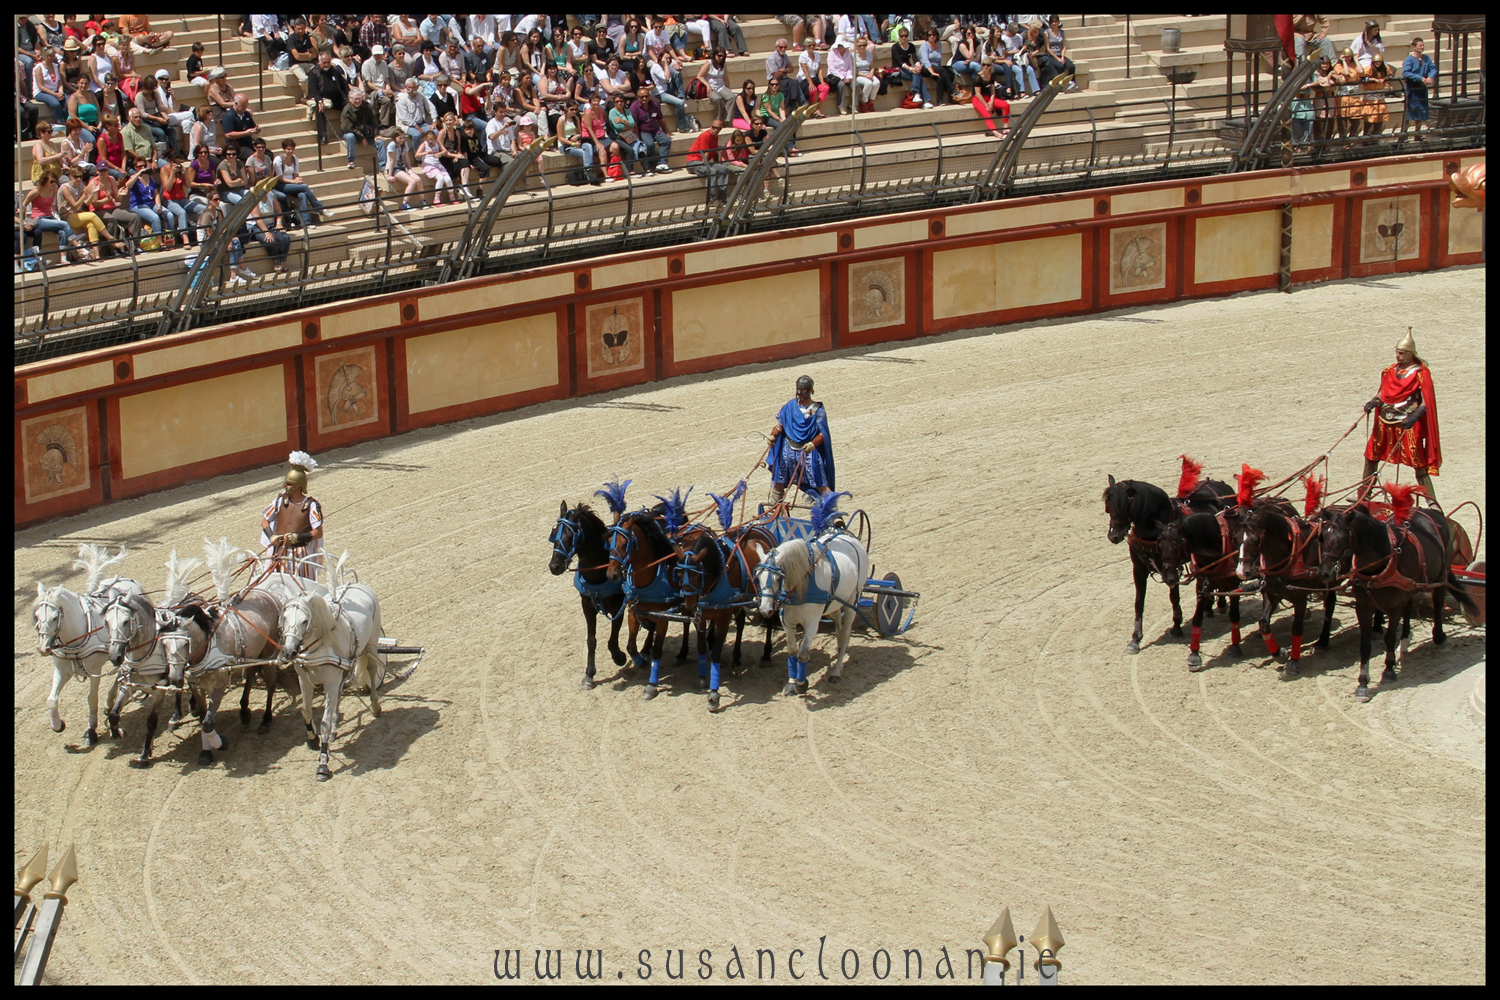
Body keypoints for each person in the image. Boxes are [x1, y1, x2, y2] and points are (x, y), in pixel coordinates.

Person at [1362, 330, 1440, 501]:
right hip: (1385, 420)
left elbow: (1427, 403)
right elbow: (1383, 394)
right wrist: (1374, 402)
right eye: (1397, 352)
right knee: (1371, 456)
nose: (1398, 356)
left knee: (1418, 463)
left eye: (1402, 353)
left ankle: (1431, 501)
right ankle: (1364, 494)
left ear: (1411, 354)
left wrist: (1414, 417)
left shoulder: (1421, 374)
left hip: (1408, 422)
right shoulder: (1390, 371)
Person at [767, 375, 835, 502]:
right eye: (798, 389)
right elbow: (780, 425)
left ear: (811, 391)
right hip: (788, 450)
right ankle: (773, 510)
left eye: (803, 390)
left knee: (821, 484)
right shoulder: (789, 407)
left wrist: (812, 444)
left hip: (808, 452)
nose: (799, 393)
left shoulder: (818, 411)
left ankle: (832, 512)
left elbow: (822, 434)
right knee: (778, 482)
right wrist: (773, 435)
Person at [261, 452, 325, 578]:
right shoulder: (280, 501)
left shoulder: (311, 505)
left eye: (289, 484)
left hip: (300, 553)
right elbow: (265, 521)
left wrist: (299, 537)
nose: (286, 486)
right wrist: (271, 536)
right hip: (280, 550)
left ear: (298, 486)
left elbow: (318, 532)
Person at [19, 167, 79, 267]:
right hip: (38, 219)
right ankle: (78, 247)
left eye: (55, 181)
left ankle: (63, 258)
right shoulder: (37, 191)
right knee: (64, 224)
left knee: (62, 232)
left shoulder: (54, 190)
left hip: (50, 217)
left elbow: (55, 204)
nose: (53, 184)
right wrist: (24, 220)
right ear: (45, 181)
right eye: (51, 181)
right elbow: (23, 205)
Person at [273, 138, 335, 228]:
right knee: (305, 187)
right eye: (288, 149)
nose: (290, 151)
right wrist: (294, 182)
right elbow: (280, 178)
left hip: (292, 184)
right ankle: (319, 208)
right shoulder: (278, 160)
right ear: (284, 149)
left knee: (303, 195)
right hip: (281, 185)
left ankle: (306, 222)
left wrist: (298, 180)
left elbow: (296, 174)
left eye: (292, 149)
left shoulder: (294, 158)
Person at [307, 49, 350, 144]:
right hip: (323, 99)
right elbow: (314, 89)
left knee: (350, 105)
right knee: (320, 109)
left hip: (337, 99)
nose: (326, 65)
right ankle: (323, 135)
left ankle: (349, 130)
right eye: (324, 63)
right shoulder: (314, 73)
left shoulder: (334, 70)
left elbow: (344, 83)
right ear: (319, 62)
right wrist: (319, 100)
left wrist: (348, 95)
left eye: (328, 62)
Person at [686, 119, 731, 206]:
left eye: (718, 129)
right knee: (712, 172)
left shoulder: (715, 136)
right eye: (714, 128)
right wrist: (707, 167)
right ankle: (712, 199)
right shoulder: (705, 135)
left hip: (703, 161)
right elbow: (705, 154)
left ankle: (722, 196)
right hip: (693, 162)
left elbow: (714, 152)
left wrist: (717, 163)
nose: (716, 130)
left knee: (723, 169)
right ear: (711, 127)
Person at [631, 83, 674, 173]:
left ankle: (662, 163)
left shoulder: (654, 104)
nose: (644, 99)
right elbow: (635, 124)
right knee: (649, 144)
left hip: (655, 129)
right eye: (642, 97)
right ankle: (655, 165)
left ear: (649, 96)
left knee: (666, 141)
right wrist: (638, 137)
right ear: (638, 97)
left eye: (646, 96)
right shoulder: (634, 107)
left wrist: (667, 132)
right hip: (644, 131)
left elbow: (661, 119)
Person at [384, 130, 429, 209]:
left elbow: (406, 157)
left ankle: (423, 201)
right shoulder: (392, 145)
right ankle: (404, 204)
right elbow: (392, 161)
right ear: (395, 138)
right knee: (412, 182)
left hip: (403, 166)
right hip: (394, 168)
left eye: (403, 138)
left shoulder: (405, 144)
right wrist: (390, 175)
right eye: (400, 138)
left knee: (418, 179)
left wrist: (410, 169)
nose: (402, 140)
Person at [341, 88, 384, 170]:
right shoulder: (346, 110)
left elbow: (374, 121)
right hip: (354, 135)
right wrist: (362, 138)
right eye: (355, 99)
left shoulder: (367, 106)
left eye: (359, 98)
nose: (357, 101)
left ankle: (383, 166)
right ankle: (351, 161)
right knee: (350, 137)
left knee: (381, 142)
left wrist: (376, 135)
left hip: (367, 134)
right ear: (350, 99)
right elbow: (348, 128)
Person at [1401, 37, 1437, 135]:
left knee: (1422, 111)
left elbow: (1433, 69)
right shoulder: (1409, 60)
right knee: (1411, 111)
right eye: (1420, 45)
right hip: (1412, 88)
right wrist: (1419, 78)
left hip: (1422, 88)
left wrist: (1430, 77)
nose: (1422, 47)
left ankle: (1418, 133)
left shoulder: (1426, 58)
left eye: (1423, 45)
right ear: (1414, 47)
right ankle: (1404, 134)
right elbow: (1406, 73)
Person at [416, 128, 455, 204]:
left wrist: (439, 154)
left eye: (432, 139)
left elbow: (445, 151)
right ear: (426, 139)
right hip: (428, 165)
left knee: (448, 179)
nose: (431, 141)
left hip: (437, 164)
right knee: (440, 178)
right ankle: (436, 198)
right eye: (429, 139)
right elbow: (417, 155)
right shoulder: (424, 144)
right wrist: (426, 152)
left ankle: (452, 197)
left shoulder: (437, 143)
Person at [1040, 15, 1079, 91]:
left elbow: (1064, 46)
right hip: (1051, 55)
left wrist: (1062, 57)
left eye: (1055, 22)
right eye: (1052, 22)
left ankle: (1072, 83)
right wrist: (1057, 58)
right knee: (1060, 66)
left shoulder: (1062, 32)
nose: (1054, 24)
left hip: (1060, 54)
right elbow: (1048, 48)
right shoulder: (1046, 32)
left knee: (1071, 66)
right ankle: (1059, 86)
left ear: (1058, 22)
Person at [697, 49, 735, 124]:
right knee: (717, 99)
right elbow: (699, 76)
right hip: (710, 87)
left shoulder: (723, 64)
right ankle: (718, 119)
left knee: (732, 97)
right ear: (715, 55)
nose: (721, 58)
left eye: (723, 56)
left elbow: (725, 77)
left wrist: (728, 88)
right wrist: (707, 85)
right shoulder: (709, 63)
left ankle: (726, 119)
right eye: (719, 55)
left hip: (720, 86)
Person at [221, 93, 262, 158]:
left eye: (246, 106)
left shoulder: (246, 114)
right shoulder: (229, 116)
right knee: (253, 156)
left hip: (248, 143)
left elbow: (252, 126)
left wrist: (256, 129)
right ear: (236, 104)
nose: (245, 108)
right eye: (243, 106)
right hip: (237, 146)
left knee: (267, 153)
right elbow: (228, 135)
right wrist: (245, 133)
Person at [1361, 55, 1393, 135]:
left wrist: (1384, 79)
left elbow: (1391, 75)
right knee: (1370, 118)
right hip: (1370, 99)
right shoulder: (1369, 69)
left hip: (1380, 98)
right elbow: (1363, 78)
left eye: (1379, 62)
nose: (1378, 63)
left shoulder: (1385, 68)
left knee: (1380, 117)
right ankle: (1367, 137)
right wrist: (1374, 79)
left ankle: (1376, 137)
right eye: (1376, 62)